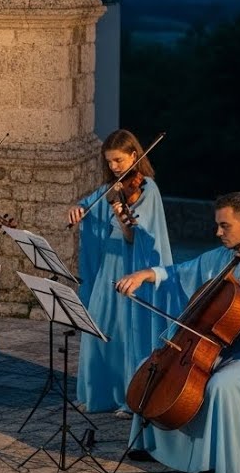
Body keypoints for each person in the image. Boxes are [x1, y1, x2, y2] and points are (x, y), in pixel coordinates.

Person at [114, 192, 240, 473]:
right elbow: (180, 273)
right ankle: (152, 443)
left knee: (220, 385)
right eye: (217, 225)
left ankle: (218, 465)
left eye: (224, 225)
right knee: (152, 366)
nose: (218, 232)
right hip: (216, 346)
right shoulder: (220, 258)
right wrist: (144, 275)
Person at [66, 129, 173, 417]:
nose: (114, 167)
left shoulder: (147, 189)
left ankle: (130, 396)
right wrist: (77, 209)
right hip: (108, 270)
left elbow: (134, 239)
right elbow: (87, 205)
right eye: (110, 162)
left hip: (133, 269)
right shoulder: (111, 189)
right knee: (98, 327)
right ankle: (96, 393)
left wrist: (119, 214)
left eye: (118, 160)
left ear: (134, 156)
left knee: (129, 332)